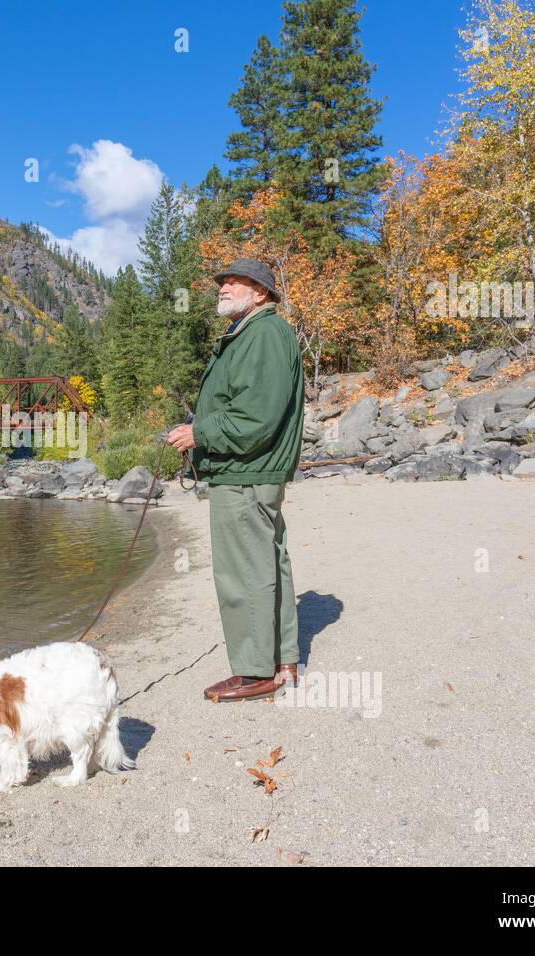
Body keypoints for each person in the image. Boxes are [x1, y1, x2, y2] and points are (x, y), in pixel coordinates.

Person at [166, 258, 305, 702]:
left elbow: (256, 417)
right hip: (251, 470)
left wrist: (199, 433)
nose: (223, 287)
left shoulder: (264, 334)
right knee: (266, 565)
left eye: (234, 282)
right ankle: (281, 663)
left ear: (260, 293)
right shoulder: (252, 333)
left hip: (245, 472)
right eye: (222, 282)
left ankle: (254, 672)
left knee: (242, 571)